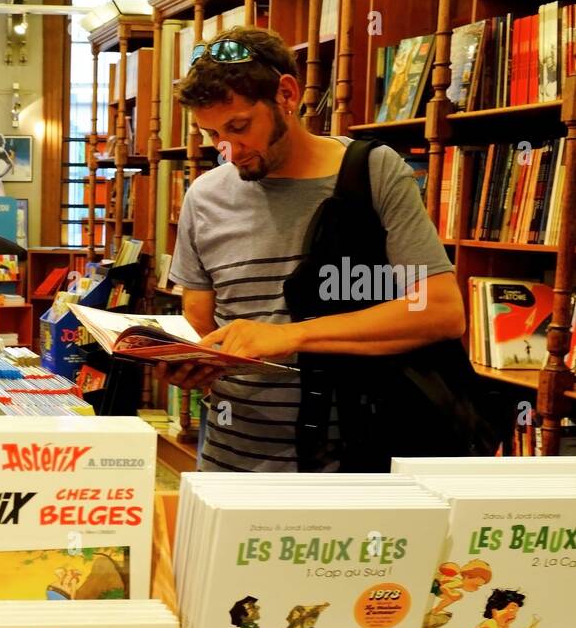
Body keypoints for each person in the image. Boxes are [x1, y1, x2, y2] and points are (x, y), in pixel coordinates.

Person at [162, 26, 465, 472]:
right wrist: (187, 364)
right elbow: (200, 322)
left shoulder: (372, 172)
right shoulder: (203, 196)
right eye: (211, 134)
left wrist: (292, 335)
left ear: (286, 93)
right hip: (230, 459)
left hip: (354, 465)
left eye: (239, 127)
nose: (227, 150)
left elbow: (440, 311)